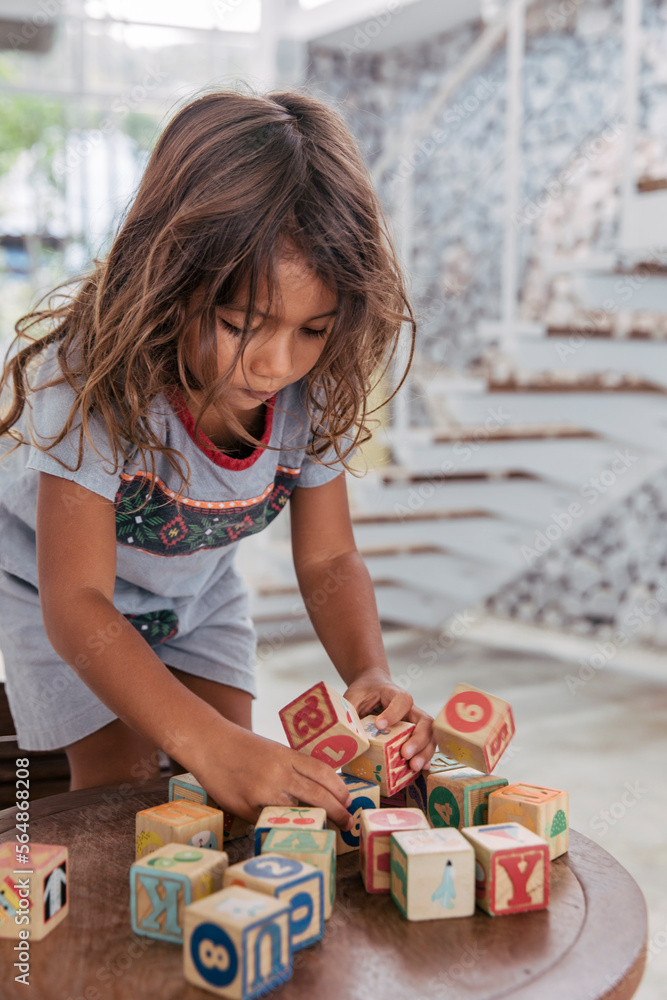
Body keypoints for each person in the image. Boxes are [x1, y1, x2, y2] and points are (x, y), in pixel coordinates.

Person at [0, 88, 435, 832]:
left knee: (235, 798)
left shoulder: (310, 392)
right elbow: (76, 603)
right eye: (241, 324)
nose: (274, 363)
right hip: (58, 595)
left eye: (312, 331)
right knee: (125, 785)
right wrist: (203, 740)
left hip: (197, 598)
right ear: (170, 279)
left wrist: (368, 673)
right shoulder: (88, 381)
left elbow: (329, 561)